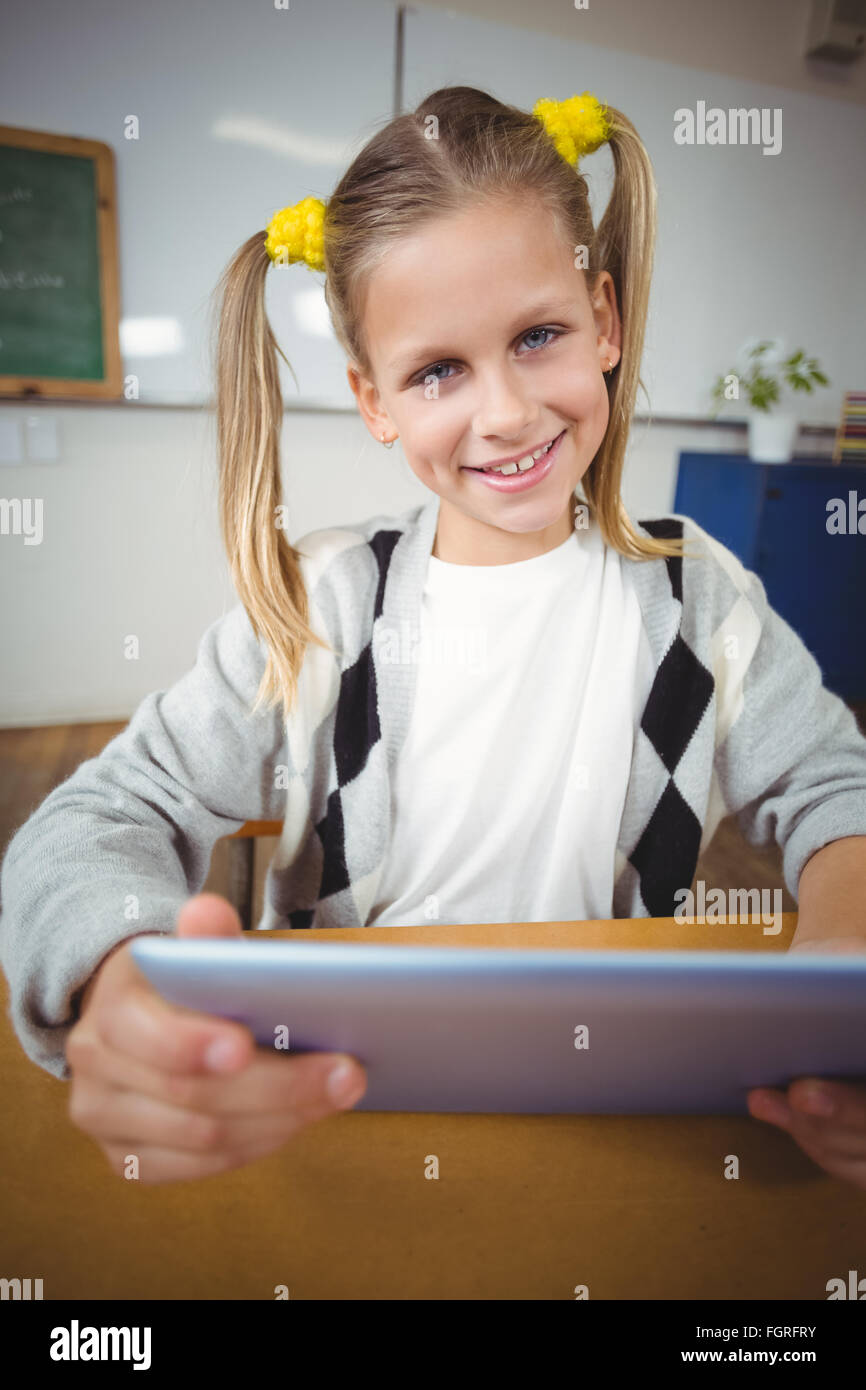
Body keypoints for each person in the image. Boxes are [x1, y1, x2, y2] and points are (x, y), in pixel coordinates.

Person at [2, 88, 865, 1189]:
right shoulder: (315, 602)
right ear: (374, 400)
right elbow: (98, 815)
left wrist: (842, 966)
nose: (502, 412)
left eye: (538, 335)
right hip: (329, 1114)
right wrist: (114, 967)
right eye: (437, 370)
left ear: (603, 321)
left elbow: (836, 787)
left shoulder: (699, 597)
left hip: (612, 1123)